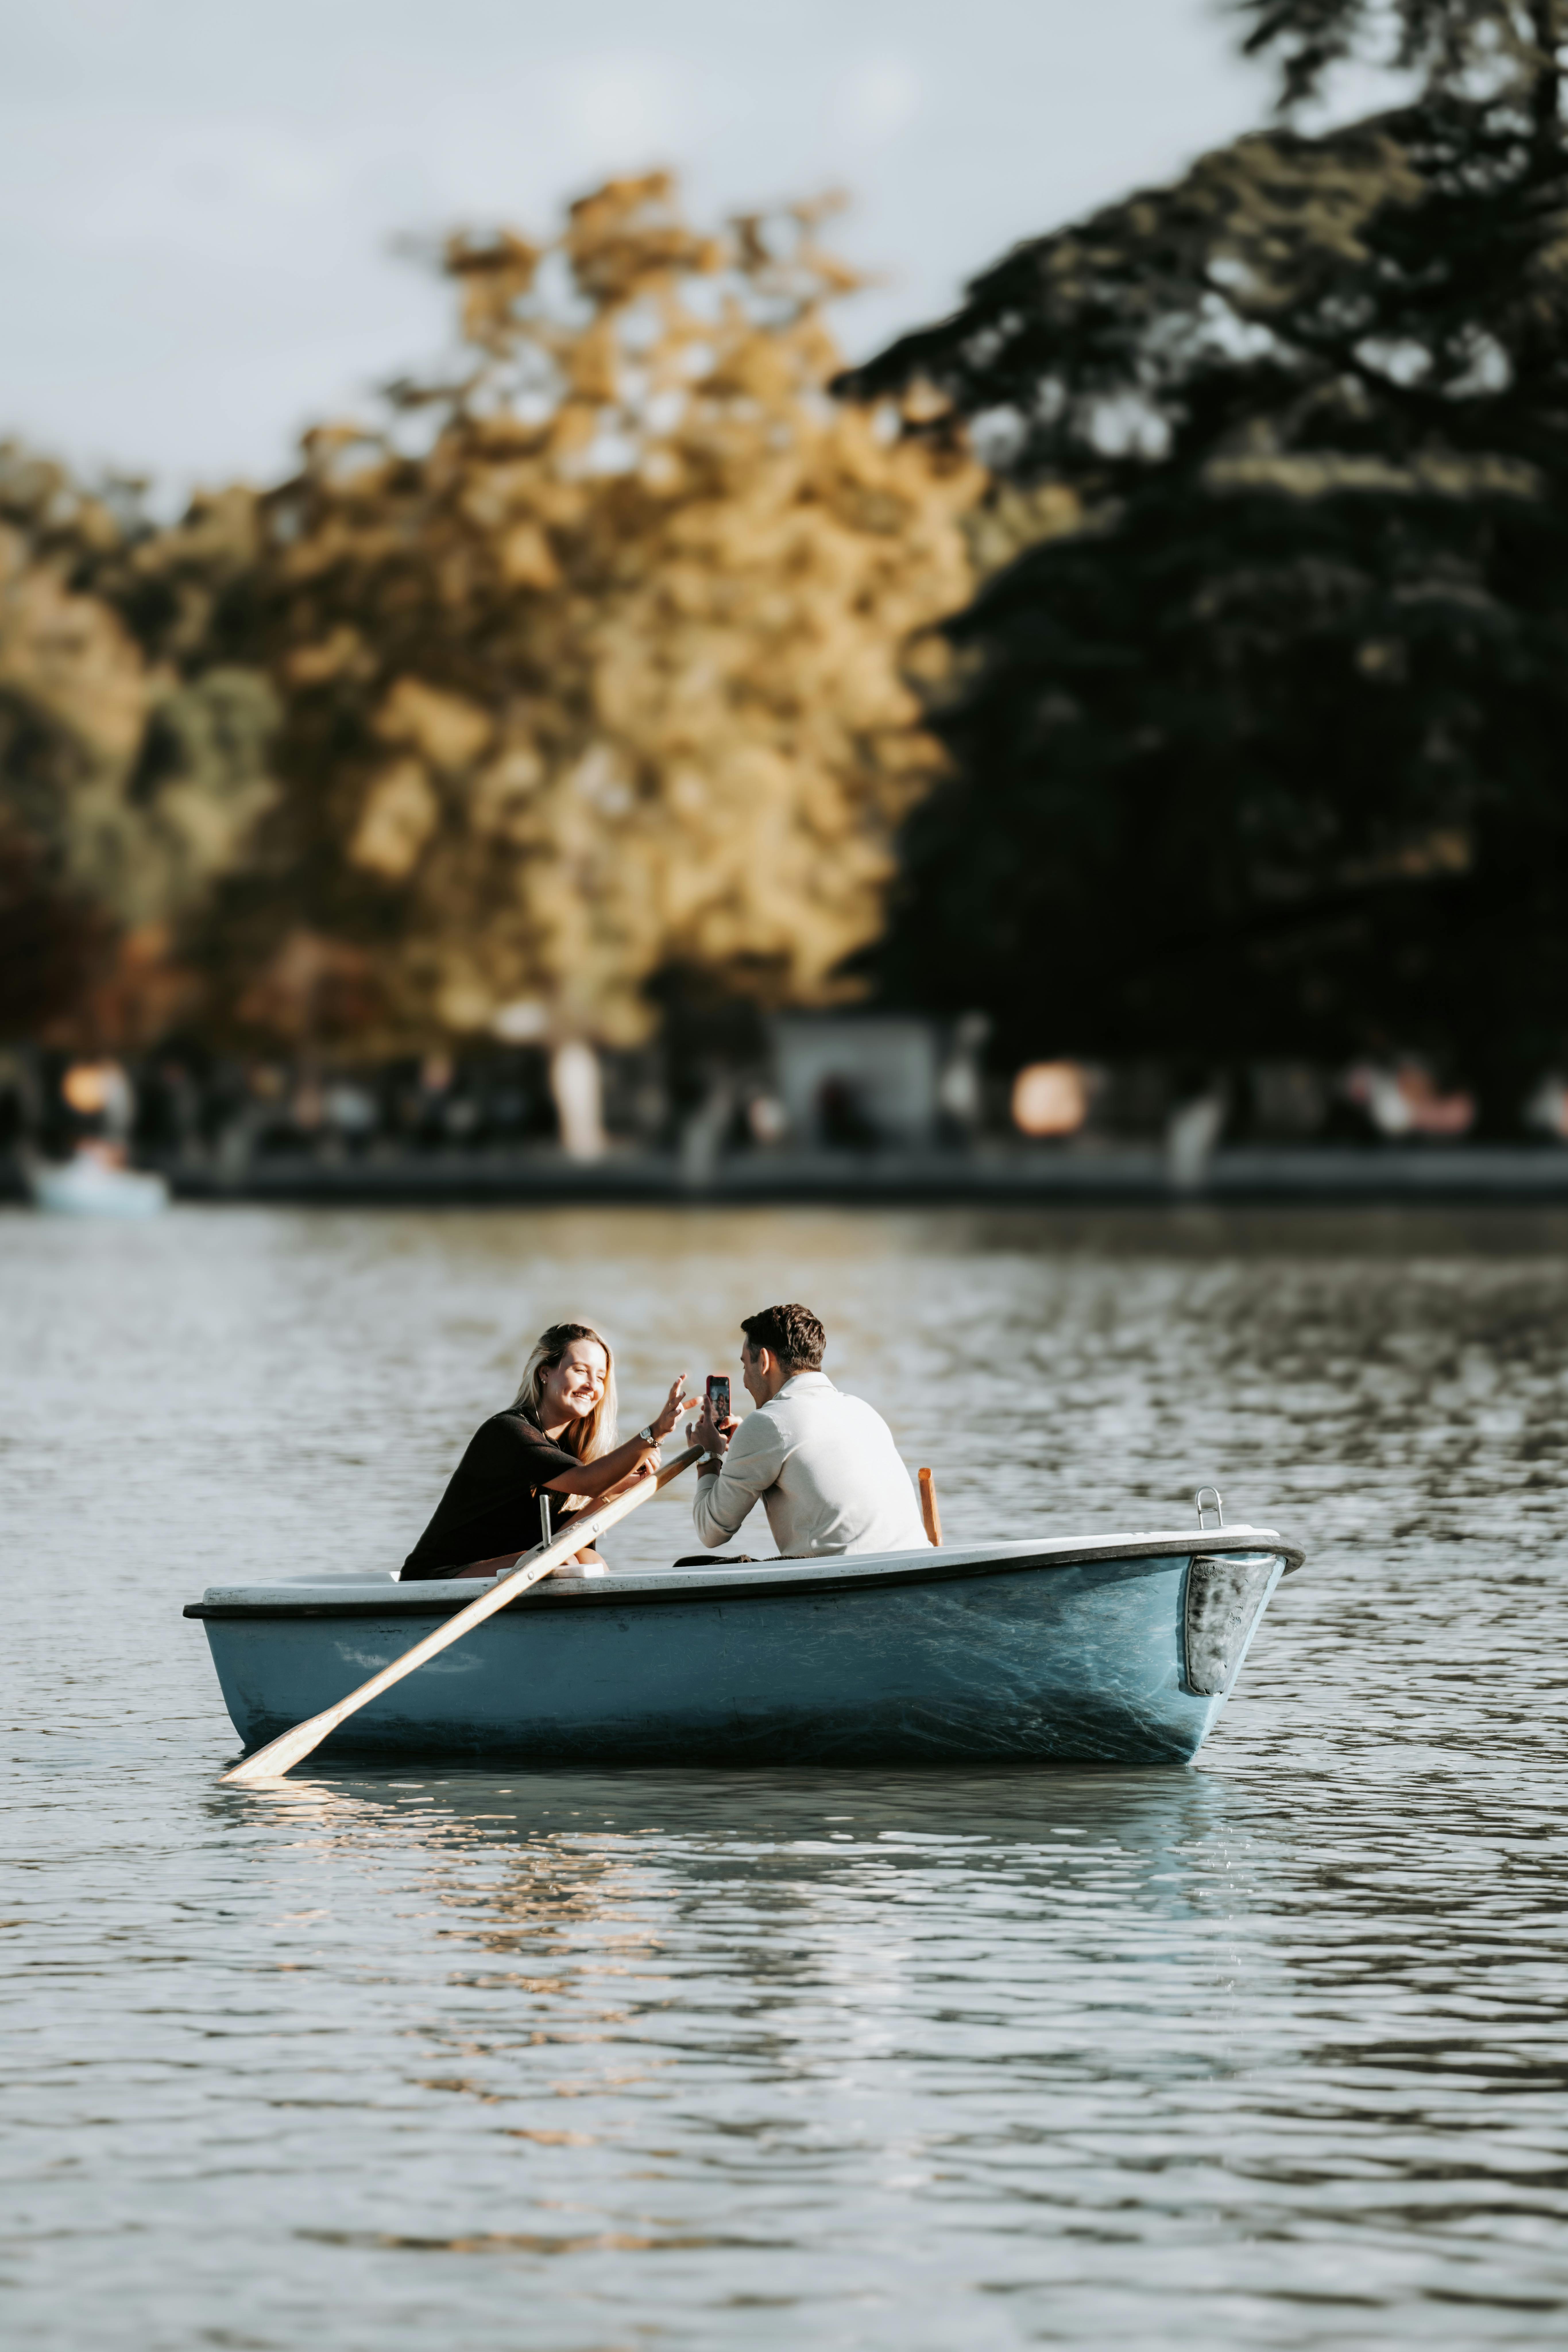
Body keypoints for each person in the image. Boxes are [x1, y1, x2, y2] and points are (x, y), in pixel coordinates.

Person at [401, 1321, 689, 1579]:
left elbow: (565, 1538)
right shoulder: (509, 1431)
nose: (592, 1385)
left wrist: (617, 1489)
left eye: (600, 1377)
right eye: (580, 1370)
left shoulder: (569, 1450)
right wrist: (653, 1434)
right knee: (562, 1562)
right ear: (545, 1373)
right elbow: (587, 1482)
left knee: (588, 1559)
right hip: (437, 1577)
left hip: (505, 1569)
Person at [688, 1302, 927, 1559]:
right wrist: (745, 1445)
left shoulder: (767, 1424)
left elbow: (710, 1532)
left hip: (846, 1579)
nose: (745, 1381)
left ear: (766, 1361)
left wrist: (708, 1457)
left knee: (690, 1567)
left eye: (745, 1366)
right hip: (917, 1563)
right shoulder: (864, 1410)